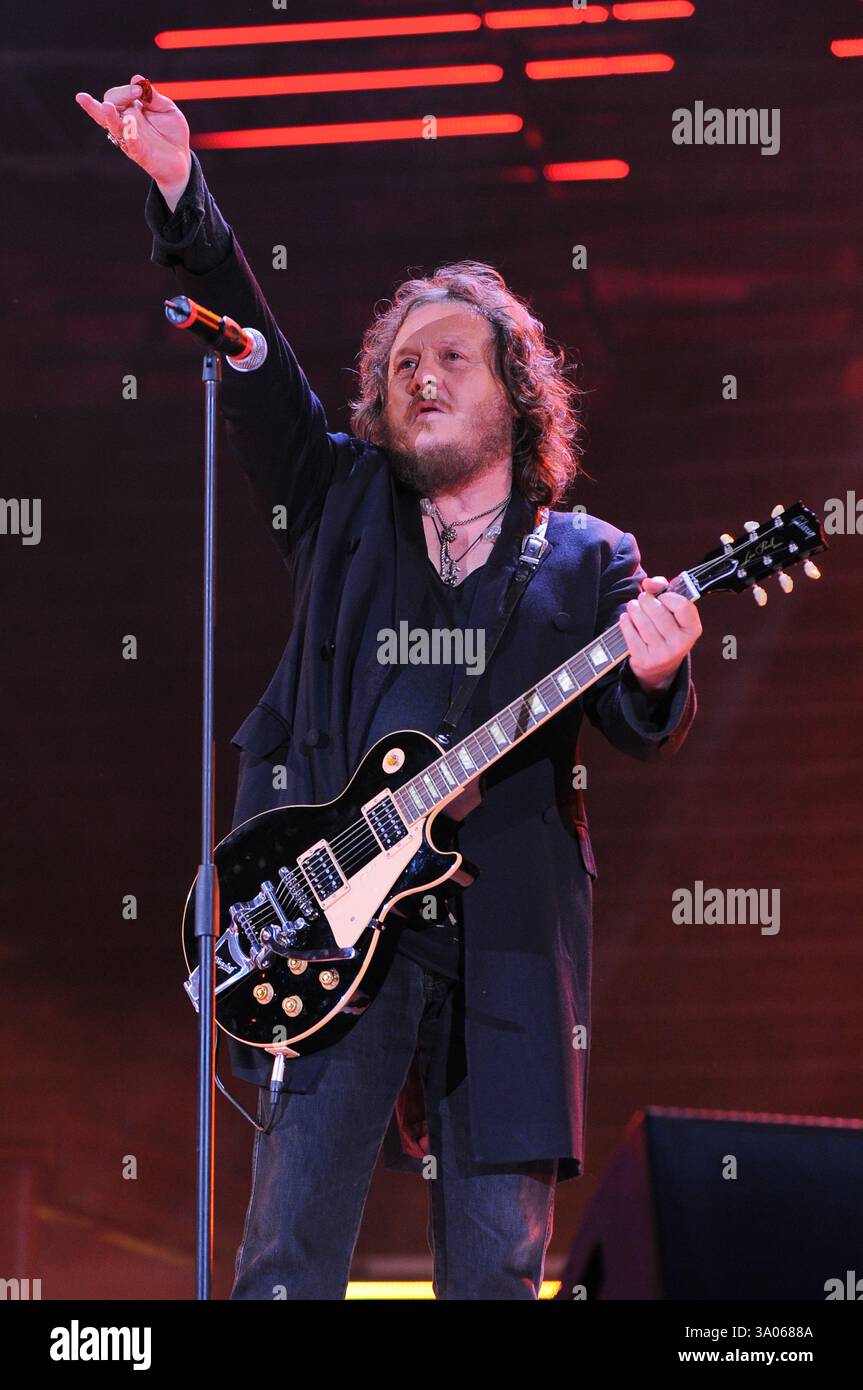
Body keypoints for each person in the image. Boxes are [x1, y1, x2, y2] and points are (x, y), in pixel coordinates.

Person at [76, 76, 702, 1300]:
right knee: (284, 1260)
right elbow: (251, 355)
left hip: (510, 948)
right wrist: (175, 190)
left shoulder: (588, 559)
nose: (419, 374)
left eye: (450, 355)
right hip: (328, 928)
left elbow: (633, 721)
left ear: (515, 392)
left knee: (495, 1271)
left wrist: (662, 670)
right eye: (402, 359)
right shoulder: (343, 505)